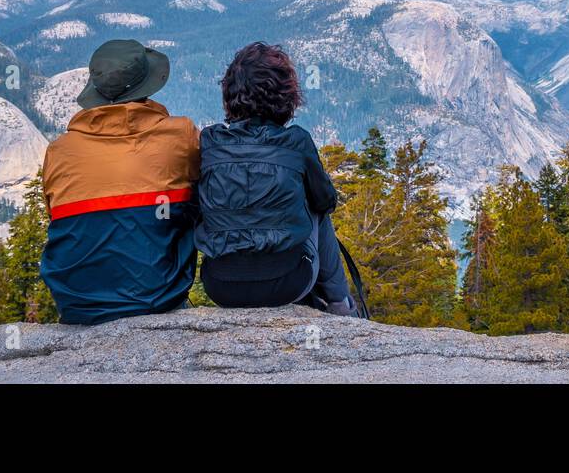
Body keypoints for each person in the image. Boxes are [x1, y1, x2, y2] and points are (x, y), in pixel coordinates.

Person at [40, 39, 200, 325]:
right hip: (157, 299)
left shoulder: (59, 151)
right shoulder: (181, 135)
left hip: (77, 305)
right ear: (147, 85)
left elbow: (59, 219)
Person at [196, 42, 359, 315]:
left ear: (229, 93)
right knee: (316, 206)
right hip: (289, 281)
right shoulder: (296, 142)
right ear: (287, 96)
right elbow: (326, 201)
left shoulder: (210, 143)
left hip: (221, 284)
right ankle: (339, 304)